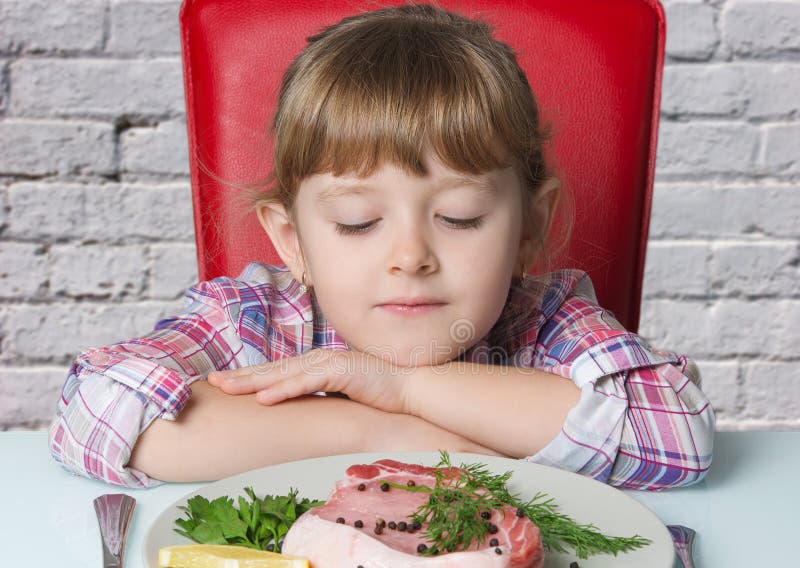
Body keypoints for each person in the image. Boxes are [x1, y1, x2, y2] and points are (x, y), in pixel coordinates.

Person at [48, 3, 714, 490]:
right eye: (358, 222)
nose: (409, 257)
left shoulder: (544, 322)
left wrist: (405, 385)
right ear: (293, 241)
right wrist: (385, 432)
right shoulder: (252, 319)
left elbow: (678, 432)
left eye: (459, 217)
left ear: (529, 229)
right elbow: (96, 410)